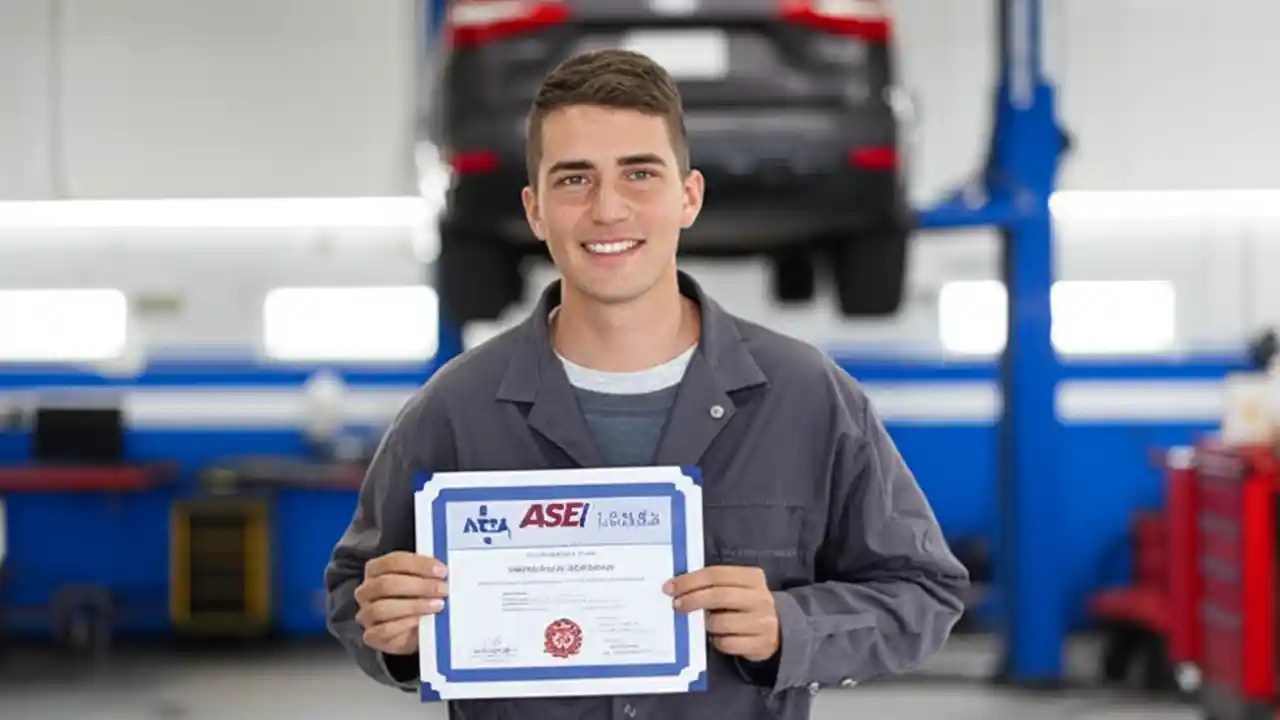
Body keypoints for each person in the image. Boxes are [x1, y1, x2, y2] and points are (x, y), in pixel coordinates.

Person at [325, 48, 969, 719]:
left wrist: (792, 626)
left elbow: (923, 592)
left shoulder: (806, 396)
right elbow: (354, 589)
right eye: (574, 179)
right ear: (536, 209)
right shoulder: (452, 410)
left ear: (688, 196)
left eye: (640, 173)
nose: (608, 209)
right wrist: (394, 635)